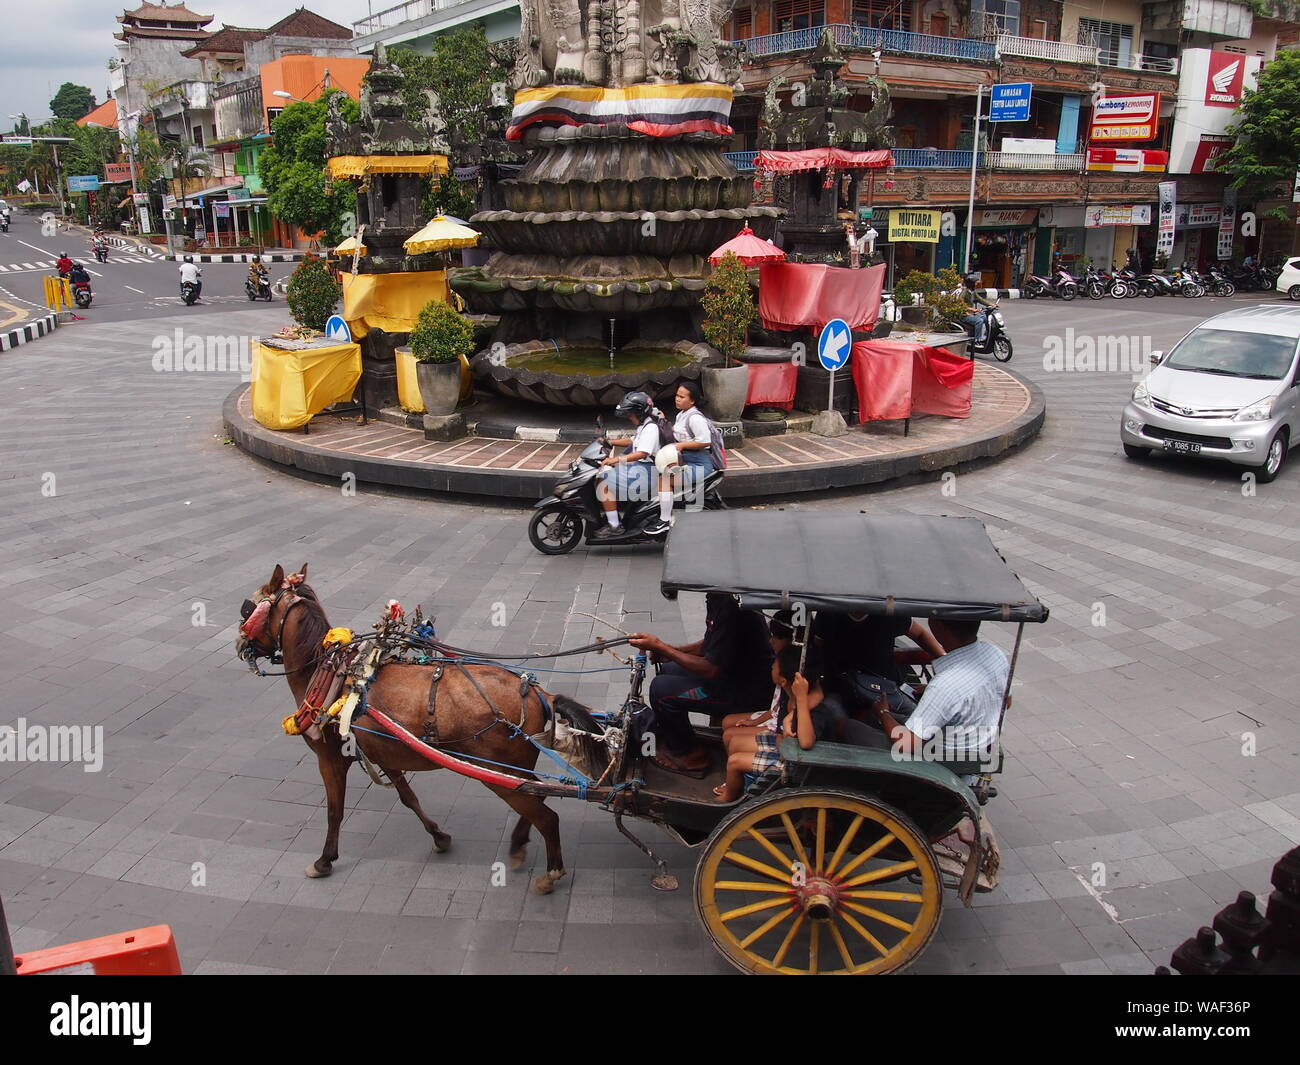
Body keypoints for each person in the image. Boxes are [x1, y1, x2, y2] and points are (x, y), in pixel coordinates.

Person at [841, 618, 1008, 785]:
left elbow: (905, 745)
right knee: (873, 717)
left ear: (936, 625)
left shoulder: (945, 685)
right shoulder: (994, 653)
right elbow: (1007, 702)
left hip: (941, 759)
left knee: (847, 726)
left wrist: (883, 712)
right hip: (973, 742)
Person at [629, 593, 773, 775]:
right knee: (670, 669)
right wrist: (674, 650)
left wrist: (661, 647)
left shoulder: (731, 607)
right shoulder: (719, 598)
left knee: (661, 690)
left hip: (745, 691)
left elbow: (711, 668)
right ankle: (679, 736)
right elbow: (711, 645)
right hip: (733, 675)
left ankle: (692, 756)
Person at [714, 644, 827, 802]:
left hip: (795, 763)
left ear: (783, 680)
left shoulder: (811, 708)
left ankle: (730, 799)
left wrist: (801, 699)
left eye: (775, 665)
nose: (772, 666)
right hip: (783, 747)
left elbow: (806, 742)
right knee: (734, 742)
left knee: (734, 762)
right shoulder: (787, 695)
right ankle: (740, 787)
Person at [814, 610, 944, 726]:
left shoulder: (888, 613)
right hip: (840, 691)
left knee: (924, 721)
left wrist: (946, 661)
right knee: (837, 725)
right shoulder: (830, 613)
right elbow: (815, 648)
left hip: (886, 691)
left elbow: (920, 634)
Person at [652, 380, 717, 531]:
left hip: (699, 464)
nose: (677, 399)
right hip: (685, 460)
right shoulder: (682, 414)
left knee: (665, 480)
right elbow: (674, 432)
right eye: (677, 395)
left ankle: (664, 520)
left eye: (682, 397)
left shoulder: (695, 418)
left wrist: (682, 445)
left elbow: (705, 441)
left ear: (692, 400)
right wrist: (662, 420)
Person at [959, 272, 994, 343]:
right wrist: (971, 309)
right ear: (971, 284)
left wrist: (991, 304)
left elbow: (981, 300)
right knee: (979, 321)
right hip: (964, 315)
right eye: (975, 283)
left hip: (971, 314)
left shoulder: (973, 292)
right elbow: (960, 305)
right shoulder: (964, 293)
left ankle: (985, 335)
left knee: (985, 317)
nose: (976, 285)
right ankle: (977, 340)